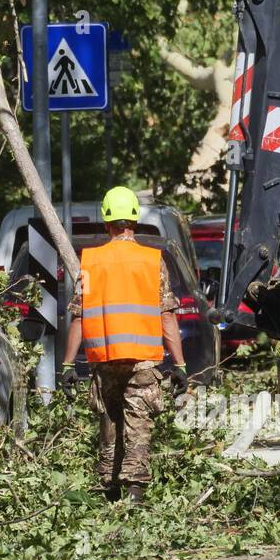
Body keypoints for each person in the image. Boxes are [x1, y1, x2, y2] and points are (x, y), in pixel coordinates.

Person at [60, 187, 187, 503]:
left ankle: (109, 486)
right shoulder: (152, 260)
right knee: (137, 421)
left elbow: (79, 317)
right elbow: (167, 316)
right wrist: (180, 363)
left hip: (104, 359)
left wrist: (66, 364)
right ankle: (135, 490)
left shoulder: (91, 262)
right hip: (142, 360)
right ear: (134, 219)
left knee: (110, 420)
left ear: (106, 221)